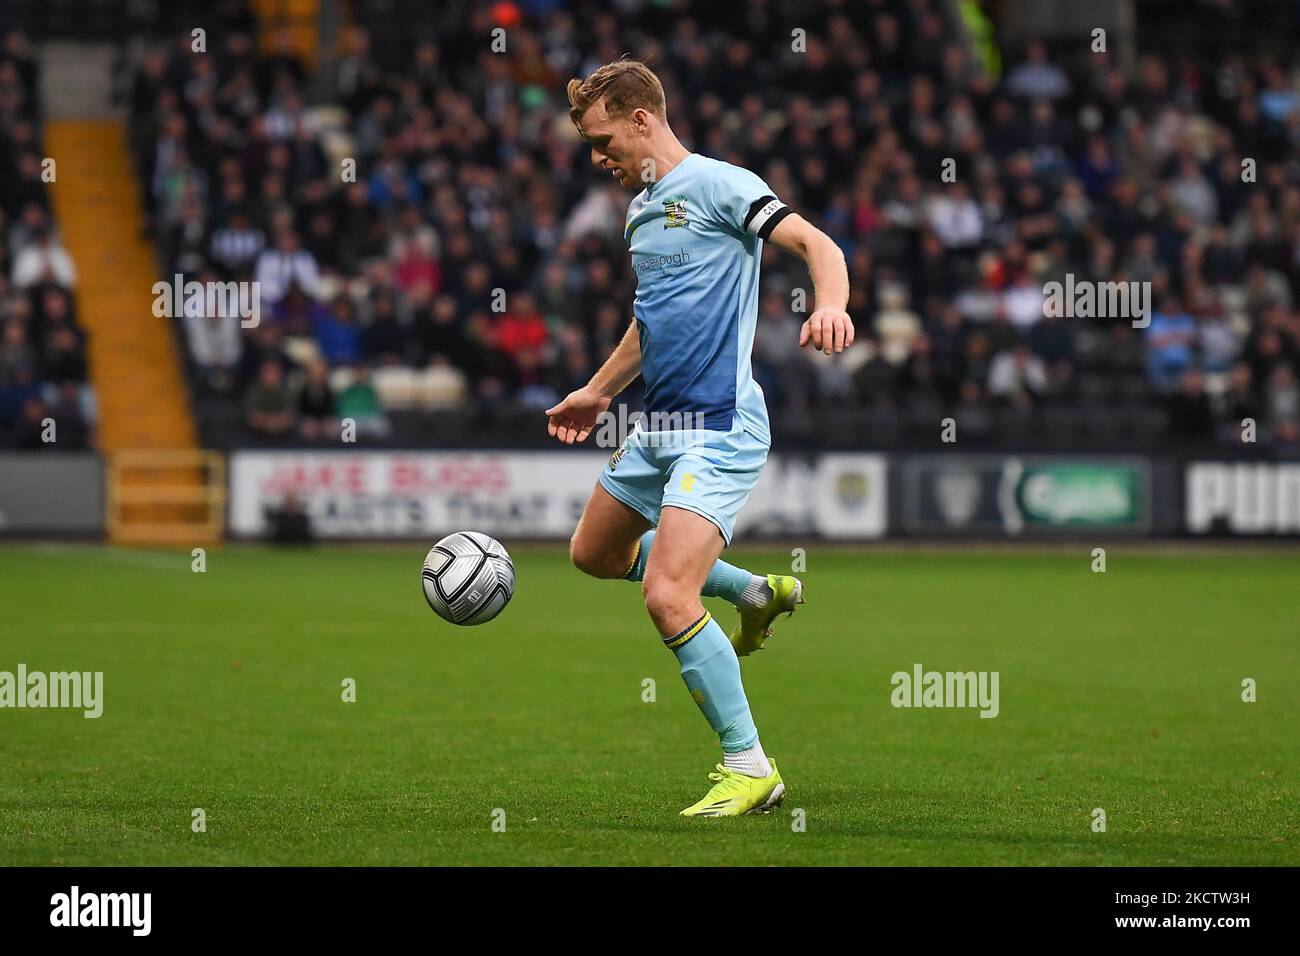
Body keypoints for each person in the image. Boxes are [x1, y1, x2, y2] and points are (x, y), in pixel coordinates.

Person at [545, 60, 853, 817]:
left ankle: (751, 767)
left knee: (666, 592)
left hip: (719, 428)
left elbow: (820, 246)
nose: (597, 157)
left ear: (642, 120)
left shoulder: (720, 183)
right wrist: (598, 389)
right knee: (595, 554)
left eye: (602, 139)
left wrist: (832, 306)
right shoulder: (639, 211)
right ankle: (753, 590)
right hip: (659, 427)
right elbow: (652, 321)